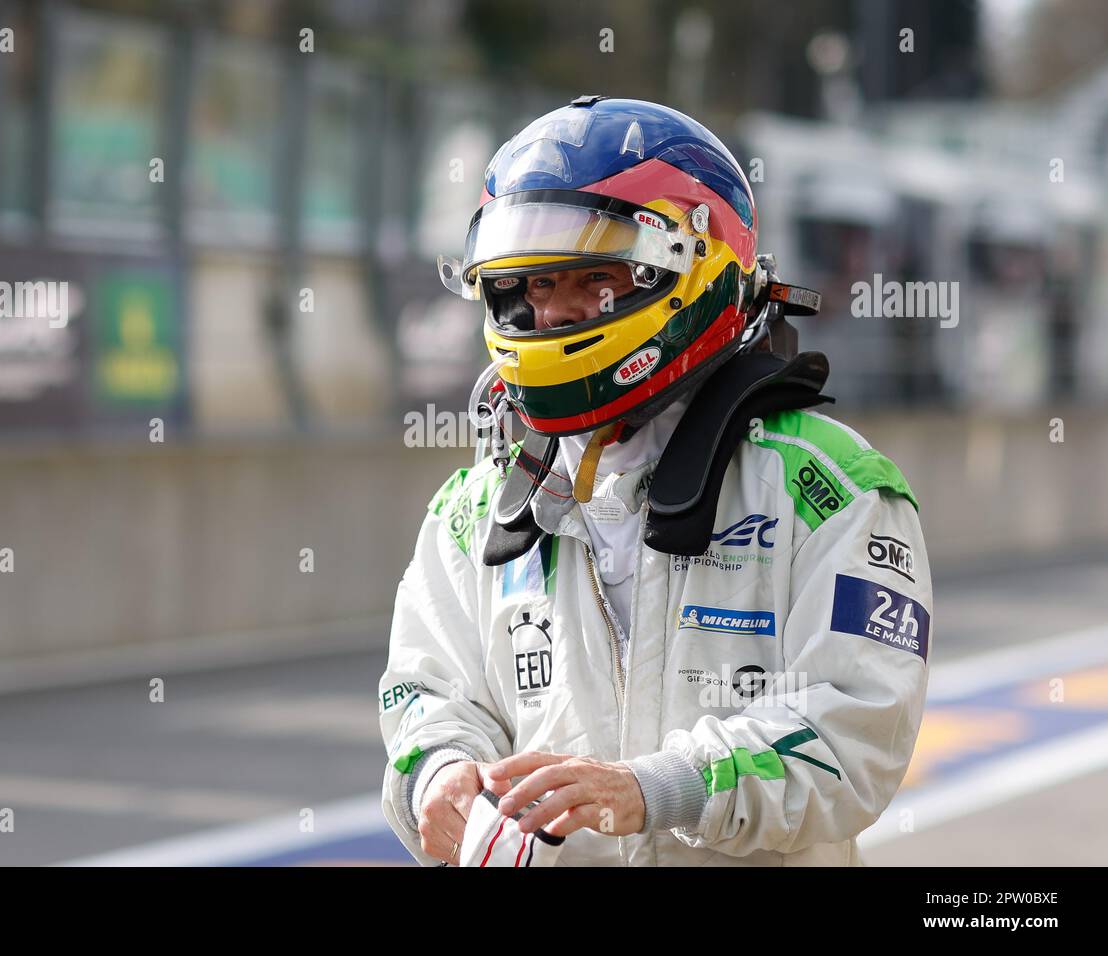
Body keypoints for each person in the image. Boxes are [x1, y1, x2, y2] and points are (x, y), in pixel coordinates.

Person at [378, 96, 932, 866]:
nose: (552, 314)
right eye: (534, 286)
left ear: (690, 265)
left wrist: (656, 790)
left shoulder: (829, 486)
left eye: (591, 280)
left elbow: (856, 732)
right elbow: (424, 697)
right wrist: (436, 776)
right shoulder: (472, 510)